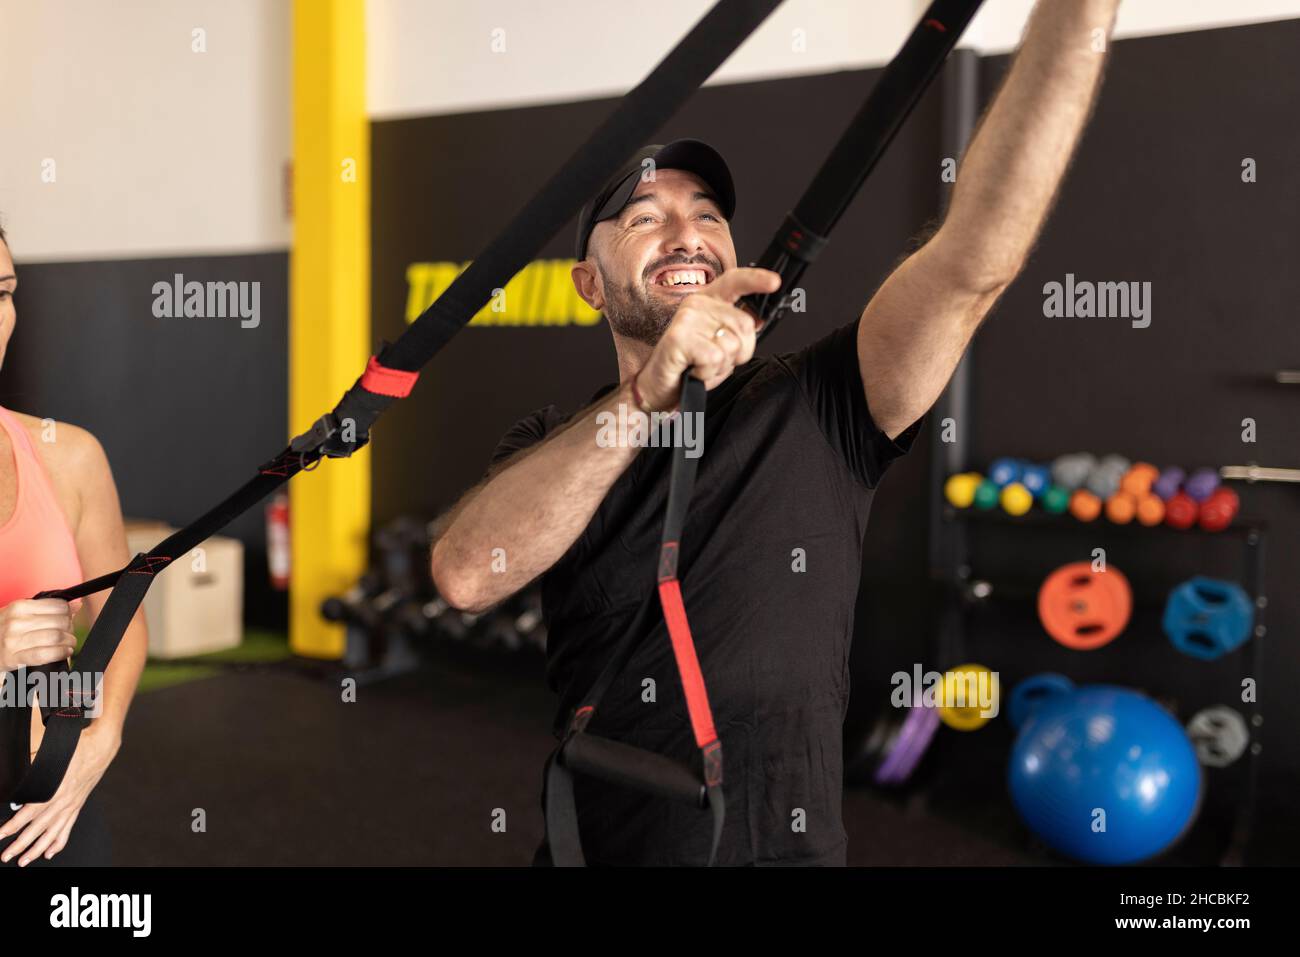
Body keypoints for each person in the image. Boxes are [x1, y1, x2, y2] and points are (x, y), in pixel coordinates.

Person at [430, 0, 1122, 865]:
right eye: (644, 217)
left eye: (709, 215)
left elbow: (973, 261)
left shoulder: (821, 399)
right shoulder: (552, 442)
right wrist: (646, 398)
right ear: (589, 285)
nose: (687, 230)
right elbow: (464, 574)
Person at [0, 221, 148, 866]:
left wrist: (100, 740)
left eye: (1, 292)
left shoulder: (68, 455)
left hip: (47, 798)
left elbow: (122, 618)